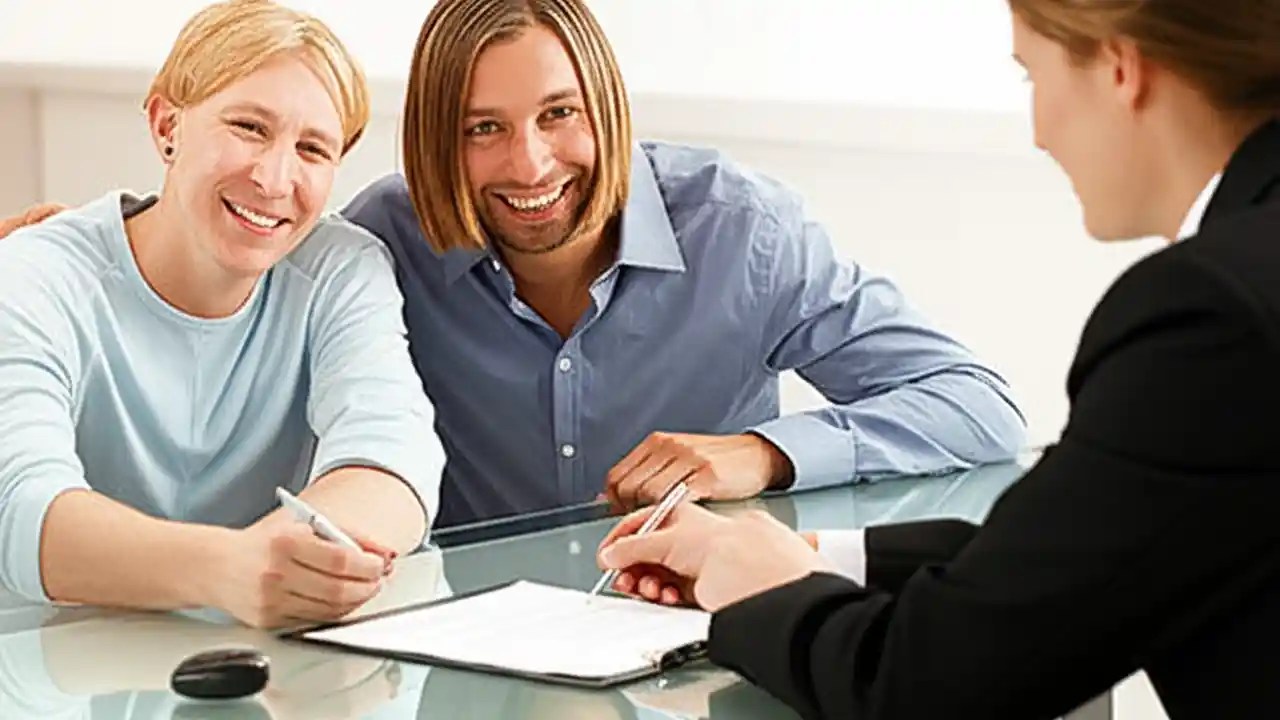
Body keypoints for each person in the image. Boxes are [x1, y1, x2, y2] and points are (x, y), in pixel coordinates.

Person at [3, 0, 1027, 529]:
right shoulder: (386, 242)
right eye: (480, 128)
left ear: (605, 109)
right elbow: (235, 251)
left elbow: (974, 406)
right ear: (439, 143)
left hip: (693, 638)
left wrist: (759, 454)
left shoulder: (740, 232)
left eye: (556, 116)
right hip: (458, 656)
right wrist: (80, 243)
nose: (527, 164)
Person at [596, 1, 1280, 717]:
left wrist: (766, 593)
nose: (1040, 133)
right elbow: (1082, 552)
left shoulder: (1211, 314)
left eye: (1031, 77)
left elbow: (925, 686)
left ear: (1120, 69)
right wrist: (821, 559)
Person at [0, 0, 443, 629]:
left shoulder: (340, 270)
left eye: (313, 148)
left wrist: (297, 565)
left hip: (264, 670)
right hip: (49, 672)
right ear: (166, 126)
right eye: (249, 128)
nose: (274, 177)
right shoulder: (35, 273)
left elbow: (394, 459)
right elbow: (20, 509)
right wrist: (228, 569)